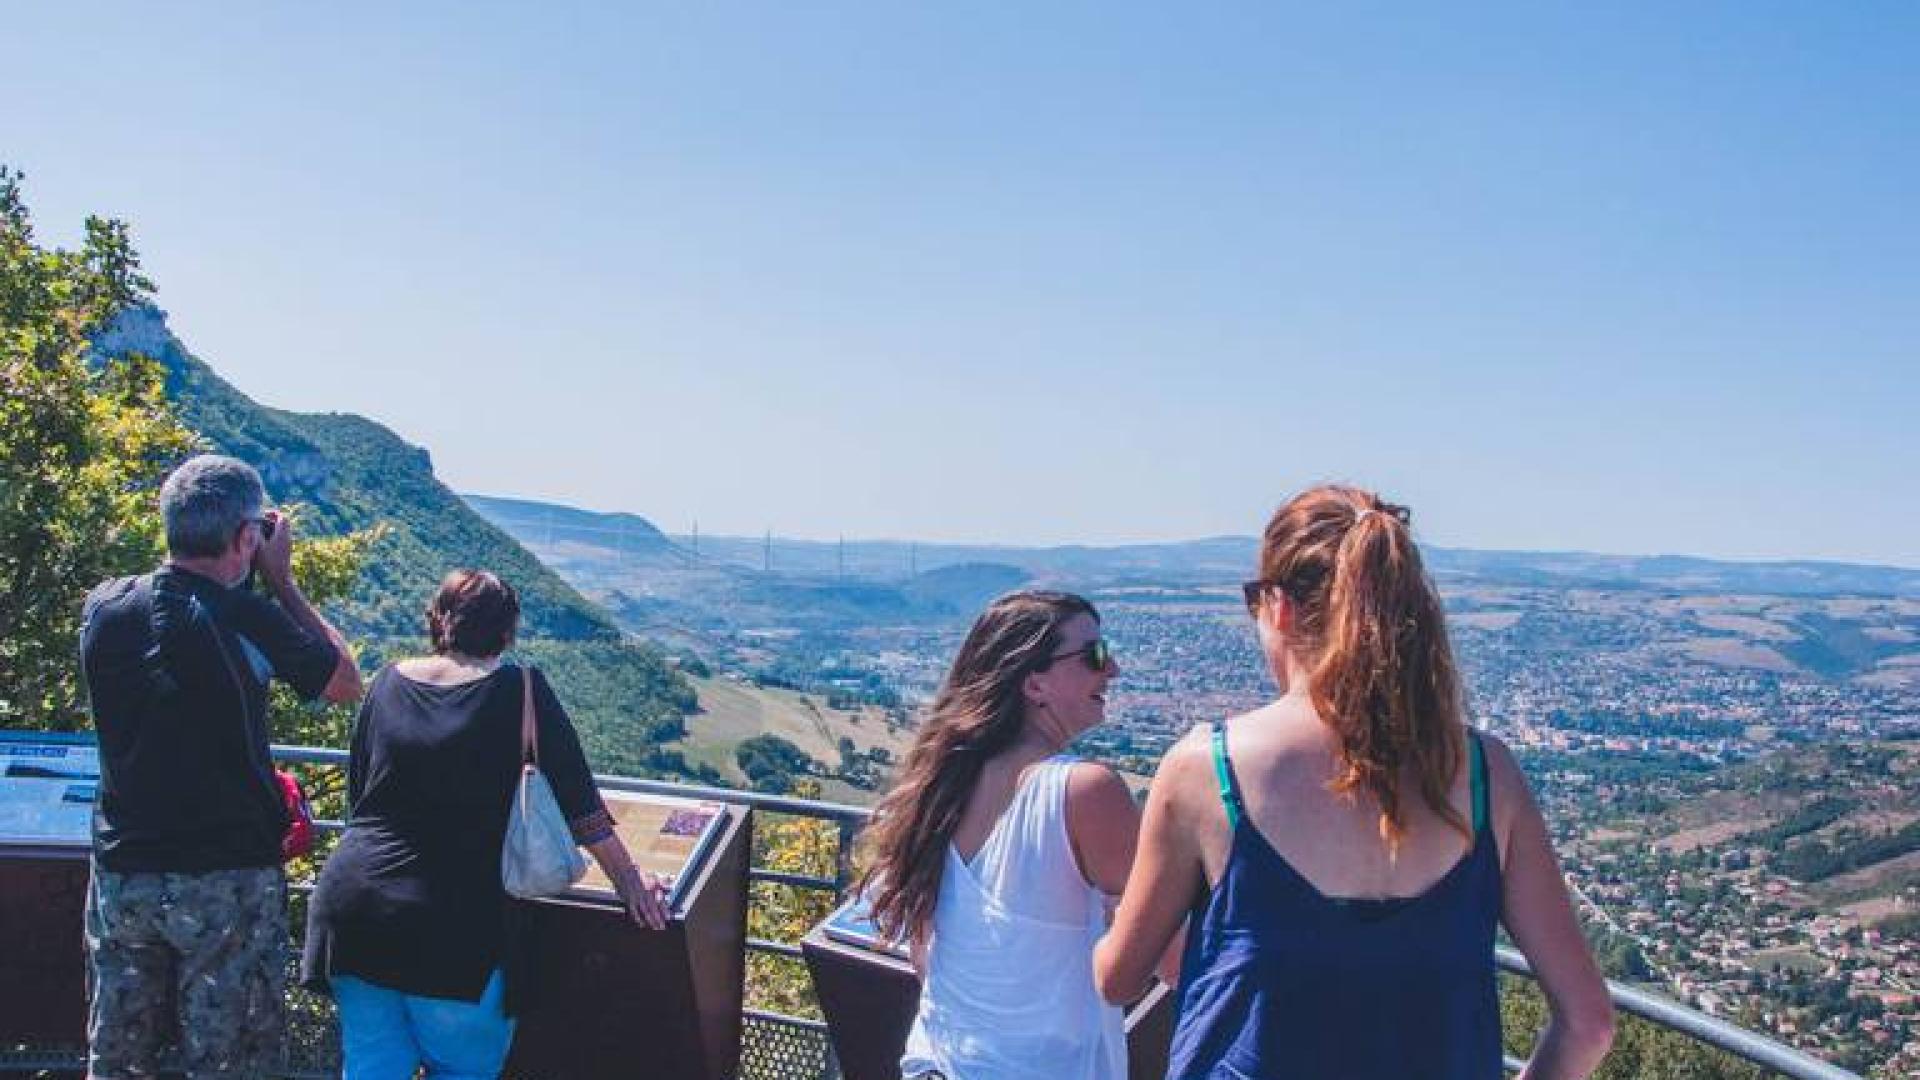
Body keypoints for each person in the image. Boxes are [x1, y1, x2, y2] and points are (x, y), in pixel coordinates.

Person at [1093, 486, 1615, 1079]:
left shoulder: (1206, 769)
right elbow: (1588, 1021)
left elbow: (1119, 978)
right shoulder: (1485, 774)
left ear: (1279, 606)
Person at [302, 569, 670, 1079]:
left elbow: (360, 795)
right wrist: (629, 880)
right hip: (454, 928)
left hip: (353, 909)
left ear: (438, 620)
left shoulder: (386, 682)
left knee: (371, 1068)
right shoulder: (522, 691)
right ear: (507, 631)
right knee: (463, 1068)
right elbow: (580, 806)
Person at [78, 453, 364, 1079]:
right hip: (225, 877)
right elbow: (345, 682)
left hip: (123, 874)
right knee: (233, 1059)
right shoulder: (246, 616)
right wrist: (283, 581)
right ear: (246, 538)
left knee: (120, 1060)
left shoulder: (103, 609)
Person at [859, 590, 1168, 1080]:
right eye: (1094, 655)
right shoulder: (1084, 792)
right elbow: (1163, 962)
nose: (1112, 669)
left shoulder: (941, 786)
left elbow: (929, 957)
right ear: (1034, 683)